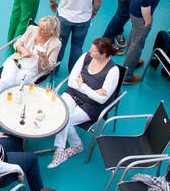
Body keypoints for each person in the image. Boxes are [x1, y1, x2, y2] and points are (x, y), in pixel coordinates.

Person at [49, 37, 123, 166]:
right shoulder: (86, 57)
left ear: (103, 54)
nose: (90, 52)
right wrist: (94, 91)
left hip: (92, 105)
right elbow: (72, 81)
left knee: (66, 120)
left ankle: (70, 148)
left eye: (94, 51)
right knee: (61, 115)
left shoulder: (113, 71)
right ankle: (68, 148)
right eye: (91, 49)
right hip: (73, 94)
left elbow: (102, 99)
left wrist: (83, 86)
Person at [0, 18, 63, 91]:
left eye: (43, 29)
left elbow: (50, 67)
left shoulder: (56, 44)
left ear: (51, 31)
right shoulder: (32, 29)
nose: (39, 30)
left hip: (31, 71)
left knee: (15, 89)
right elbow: (17, 43)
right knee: (2, 84)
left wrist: (44, 58)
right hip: (16, 62)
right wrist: (23, 50)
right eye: (39, 26)